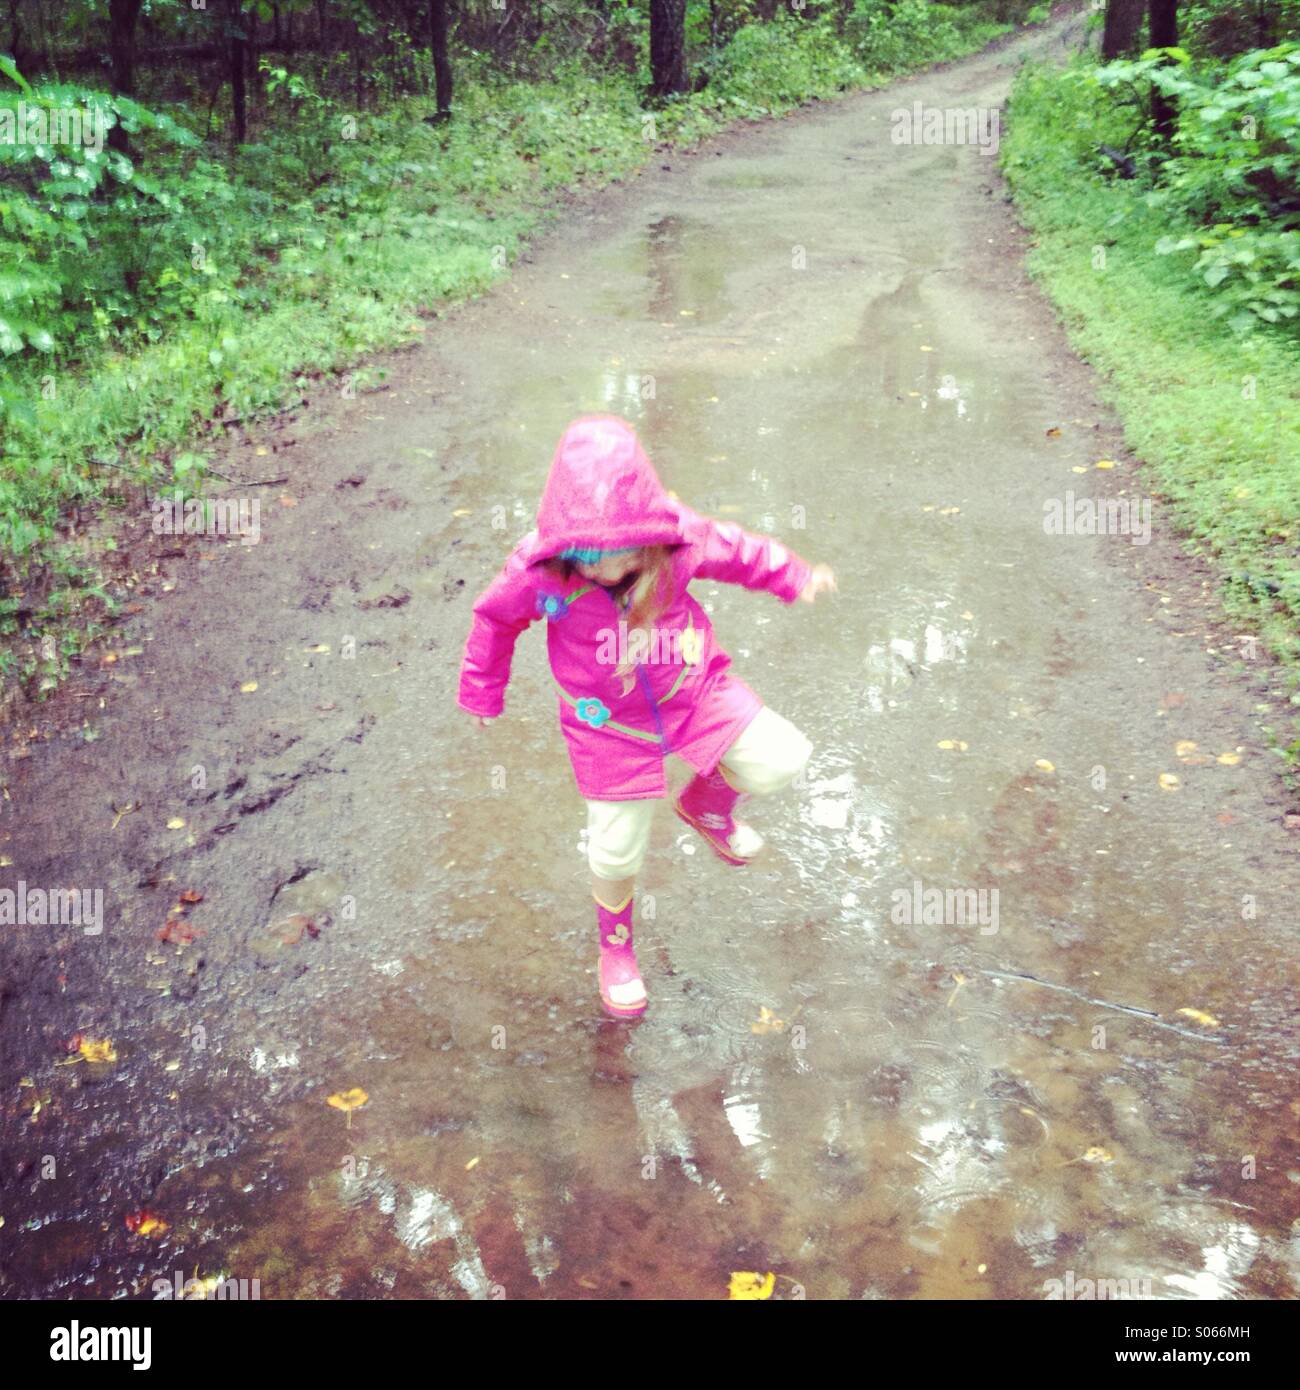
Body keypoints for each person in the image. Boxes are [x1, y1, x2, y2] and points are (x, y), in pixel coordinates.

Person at [457, 415, 835, 1019]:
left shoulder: (678, 542)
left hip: (692, 689)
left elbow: (739, 552)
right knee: (615, 847)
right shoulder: (539, 570)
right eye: (587, 556)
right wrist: (482, 689)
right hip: (606, 724)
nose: (606, 570)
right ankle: (616, 949)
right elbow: (494, 618)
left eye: (622, 553)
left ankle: (707, 804)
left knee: (780, 756)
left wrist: (792, 574)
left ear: (648, 535)